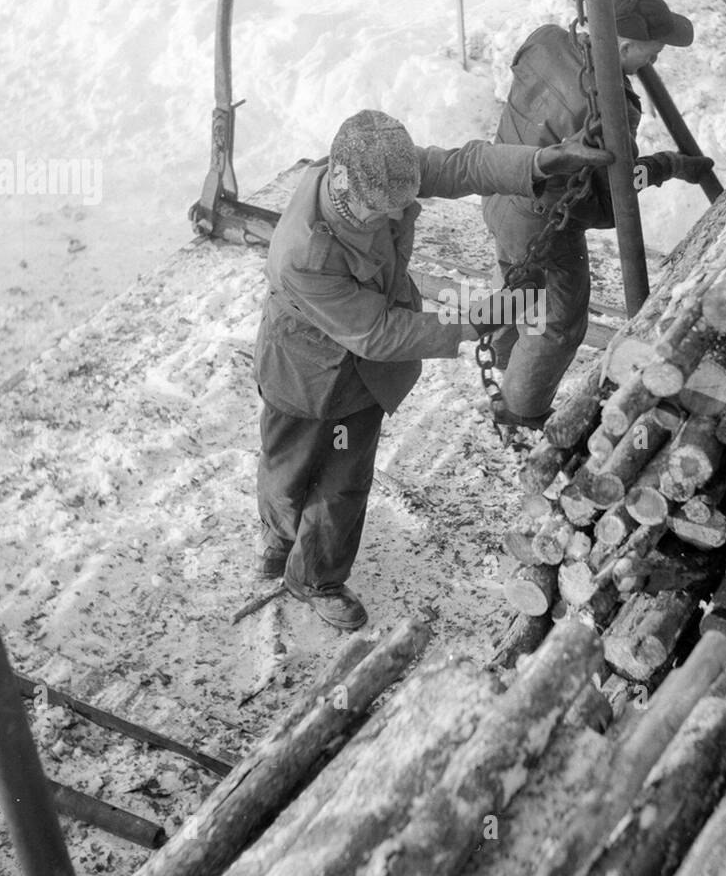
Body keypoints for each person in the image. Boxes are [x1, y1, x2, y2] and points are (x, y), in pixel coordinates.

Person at [253, 109, 612, 631]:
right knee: (285, 468)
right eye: (383, 212)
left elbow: (460, 166)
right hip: (303, 369)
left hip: (360, 380)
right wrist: (470, 322)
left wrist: (539, 162)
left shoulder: (379, 165)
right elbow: (378, 332)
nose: (396, 217)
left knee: (343, 481)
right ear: (342, 183)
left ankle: (314, 577)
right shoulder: (305, 253)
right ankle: (279, 534)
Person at [482, 0, 714, 429]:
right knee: (559, 323)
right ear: (623, 46)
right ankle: (521, 409)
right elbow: (617, 195)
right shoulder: (609, 107)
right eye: (653, 52)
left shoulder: (547, 39)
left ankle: (504, 354)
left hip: (497, 183)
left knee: (514, 278)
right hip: (542, 224)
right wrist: (668, 165)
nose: (656, 61)